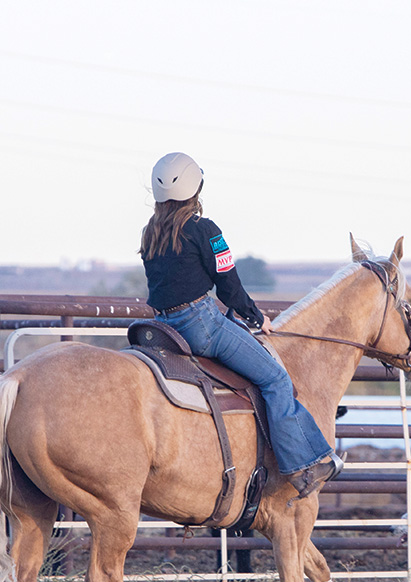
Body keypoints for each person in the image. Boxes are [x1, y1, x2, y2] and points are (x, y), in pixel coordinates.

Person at [139, 152, 342, 499]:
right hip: (202, 325)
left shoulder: (150, 233)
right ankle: (303, 465)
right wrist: (255, 317)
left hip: (162, 327)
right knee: (276, 378)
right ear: (196, 188)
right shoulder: (207, 231)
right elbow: (228, 285)